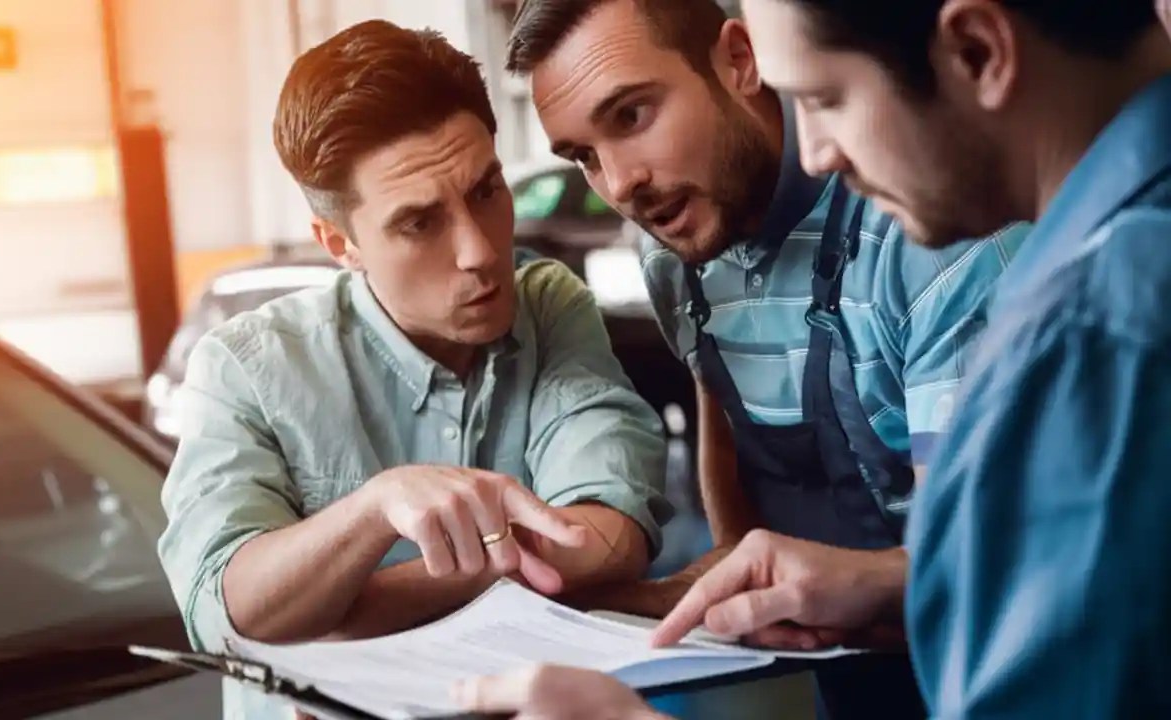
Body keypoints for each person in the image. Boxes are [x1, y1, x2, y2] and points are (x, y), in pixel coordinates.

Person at [457, 0, 1171, 717]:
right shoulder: (683, 265)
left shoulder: (1088, 322)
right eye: (583, 155)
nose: (817, 150)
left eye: (821, 98)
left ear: (980, 53)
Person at [157, 19, 672, 720]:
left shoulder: (547, 305)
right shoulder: (245, 367)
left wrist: (340, 618)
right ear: (340, 243)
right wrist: (376, 507)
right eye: (419, 223)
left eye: (487, 191)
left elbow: (608, 540)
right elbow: (225, 615)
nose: (479, 253)